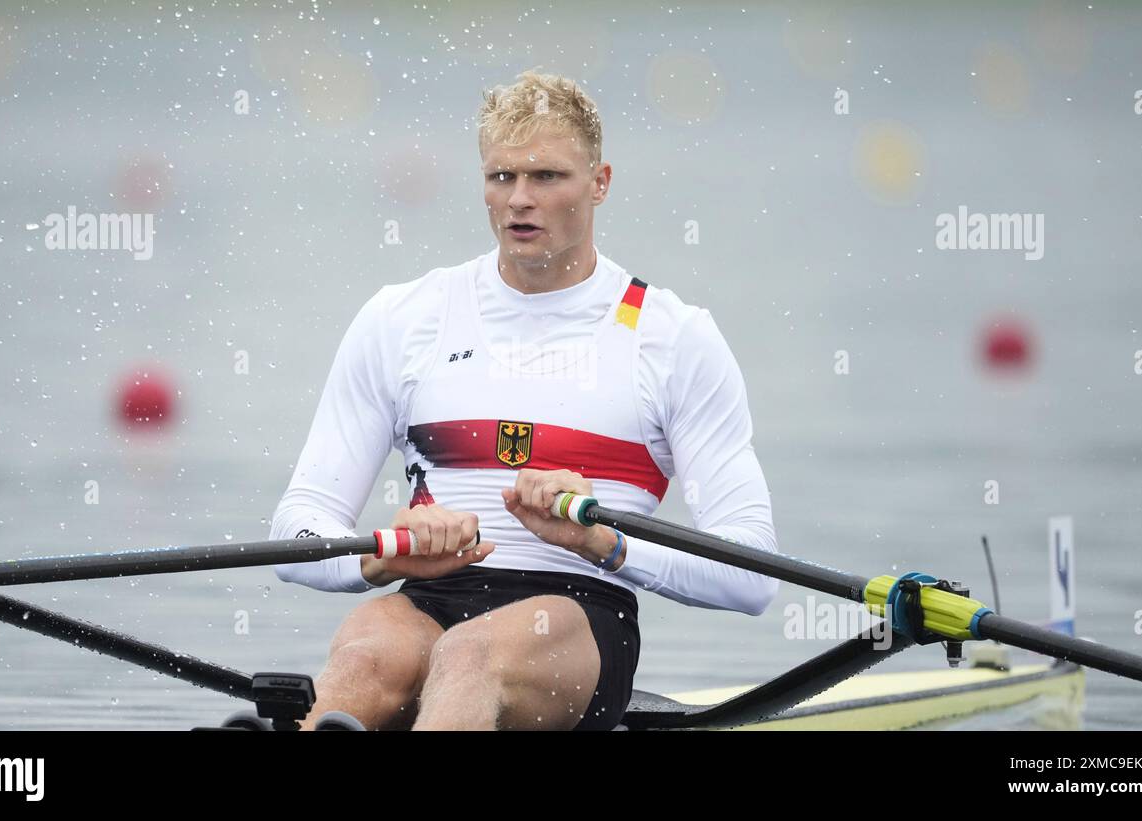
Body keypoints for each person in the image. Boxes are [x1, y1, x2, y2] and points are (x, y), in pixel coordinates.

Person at [271, 70, 778, 730]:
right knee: (365, 656)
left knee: (467, 656)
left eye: (546, 177)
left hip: (577, 613)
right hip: (428, 595)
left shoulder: (672, 337)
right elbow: (295, 531)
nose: (519, 200)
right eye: (501, 177)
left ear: (600, 182)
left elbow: (751, 574)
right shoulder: (402, 318)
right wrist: (379, 555)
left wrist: (603, 540)